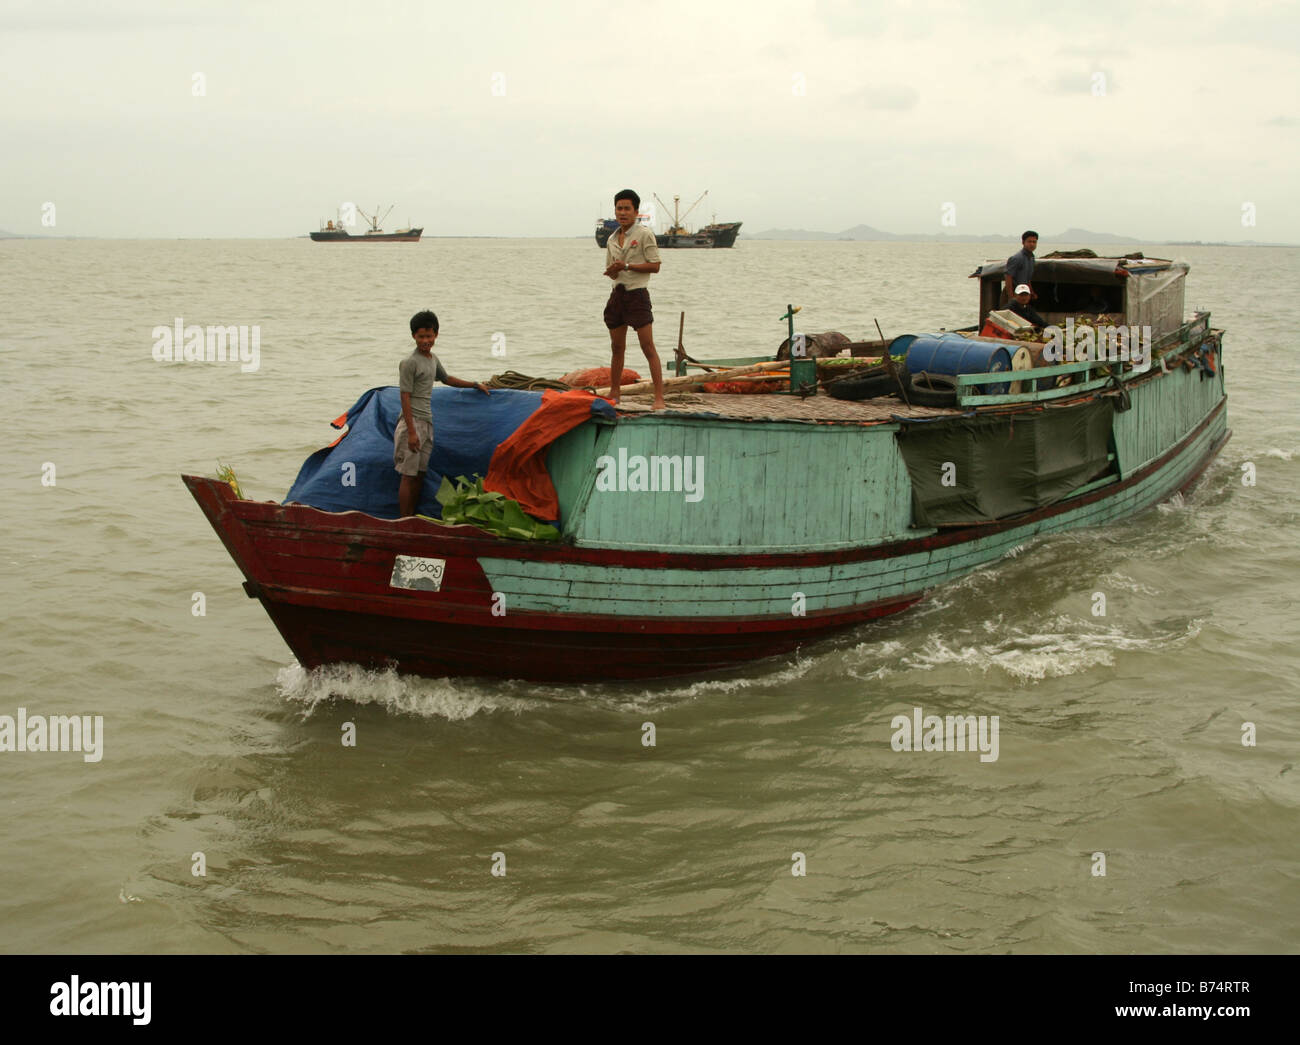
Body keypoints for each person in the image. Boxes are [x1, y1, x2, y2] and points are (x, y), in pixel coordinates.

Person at [395, 309, 491, 518]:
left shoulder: (432, 359)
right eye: (421, 337)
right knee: (408, 476)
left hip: (427, 423)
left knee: (420, 474)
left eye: (429, 336)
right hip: (412, 423)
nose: (426, 340)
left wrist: (474, 384)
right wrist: (411, 432)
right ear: (413, 336)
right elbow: (404, 397)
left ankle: (412, 517)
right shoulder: (409, 362)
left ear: (436, 335)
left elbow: (446, 379)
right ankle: (404, 520)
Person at [603, 189, 666, 410]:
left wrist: (627, 266)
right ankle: (615, 392)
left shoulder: (644, 234)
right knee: (617, 347)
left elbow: (655, 265)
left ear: (636, 211)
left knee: (647, 346)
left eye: (627, 208)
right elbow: (611, 269)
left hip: (637, 295)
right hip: (617, 295)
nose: (622, 212)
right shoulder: (611, 238)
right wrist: (612, 271)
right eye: (619, 208)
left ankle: (659, 397)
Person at [1005, 230, 1039, 304]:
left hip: (1024, 295)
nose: (1032, 244)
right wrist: (1011, 297)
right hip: (1015, 294)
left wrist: (1031, 292)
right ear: (1023, 242)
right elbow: (1008, 277)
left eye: (1034, 242)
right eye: (1029, 242)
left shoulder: (1032, 258)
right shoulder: (1017, 258)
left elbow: (1027, 279)